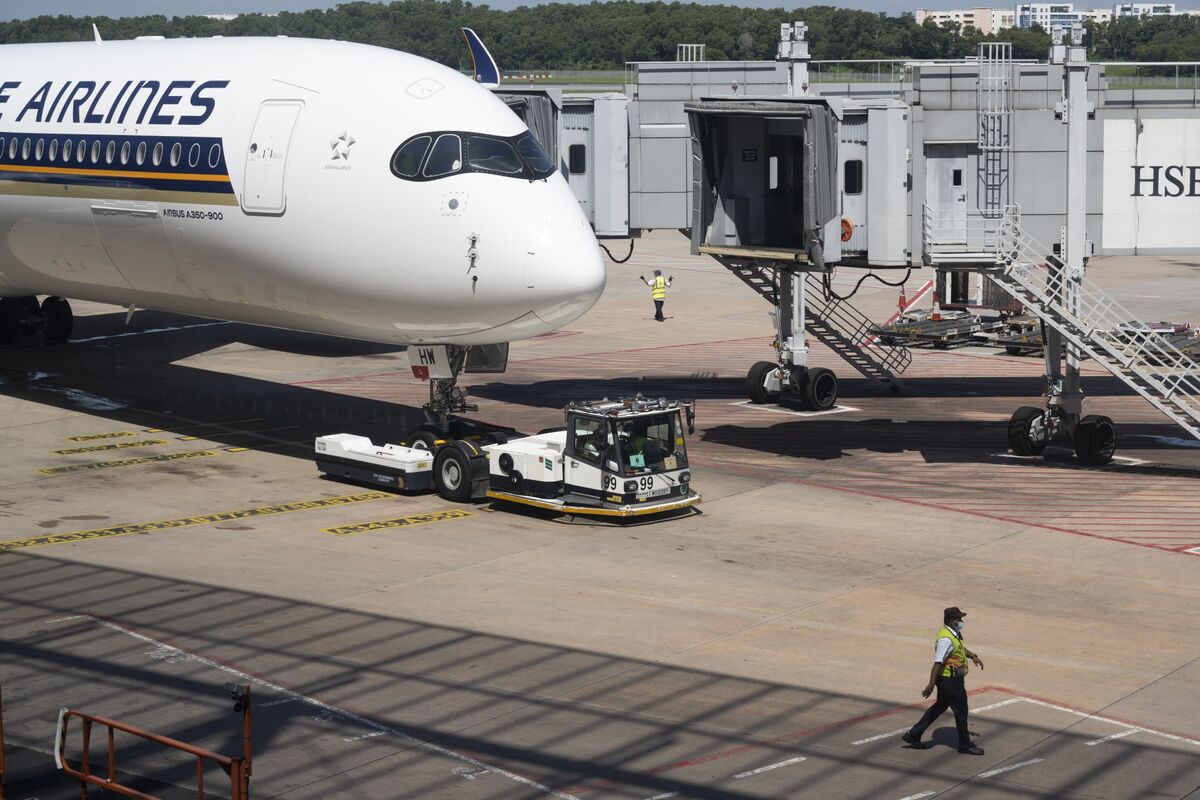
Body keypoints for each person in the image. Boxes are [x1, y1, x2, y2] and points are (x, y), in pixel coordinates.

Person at [902, 606, 985, 755]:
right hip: (951, 682)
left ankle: (914, 734)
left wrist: (972, 656)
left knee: (940, 707)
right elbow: (937, 662)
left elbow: (959, 649)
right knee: (961, 713)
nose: (961, 621)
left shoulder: (954, 634)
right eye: (959, 619)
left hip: (950, 680)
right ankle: (965, 745)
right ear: (951, 620)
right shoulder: (945, 639)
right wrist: (931, 684)